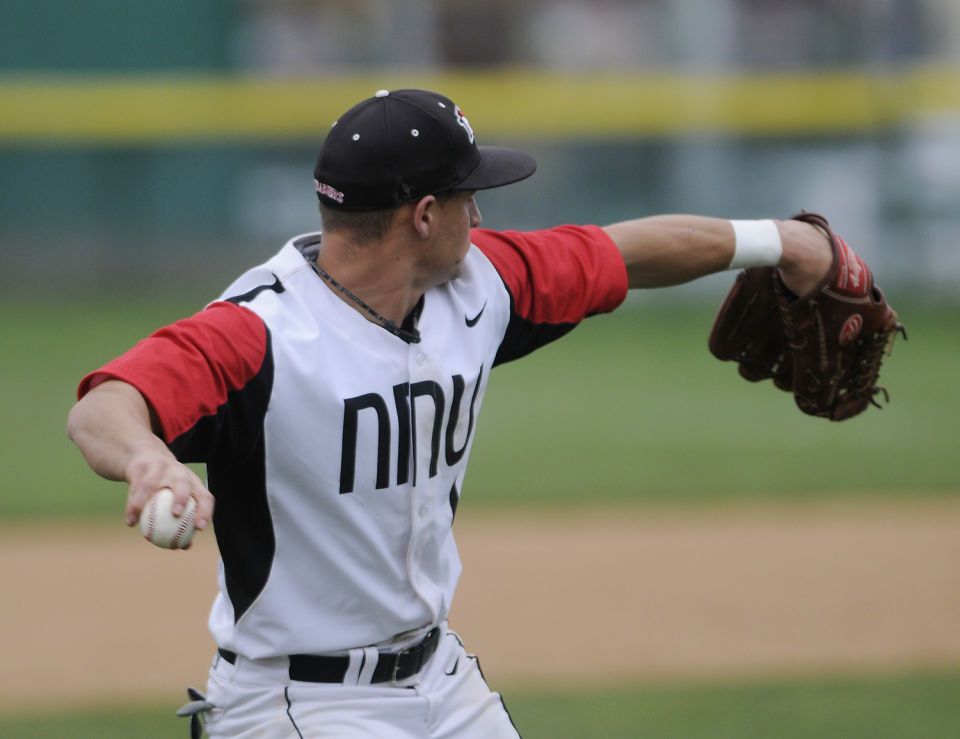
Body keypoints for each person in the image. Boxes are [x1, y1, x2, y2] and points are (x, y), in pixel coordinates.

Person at [67, 88, 833, 738]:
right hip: (298, 701)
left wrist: (781, 242)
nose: (483, 211)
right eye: (472, 195)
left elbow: (620, 252)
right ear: (425, 215)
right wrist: (147, 456)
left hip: (441, 678)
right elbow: (108, 403)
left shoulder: (479, 283)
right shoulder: (260, 330)